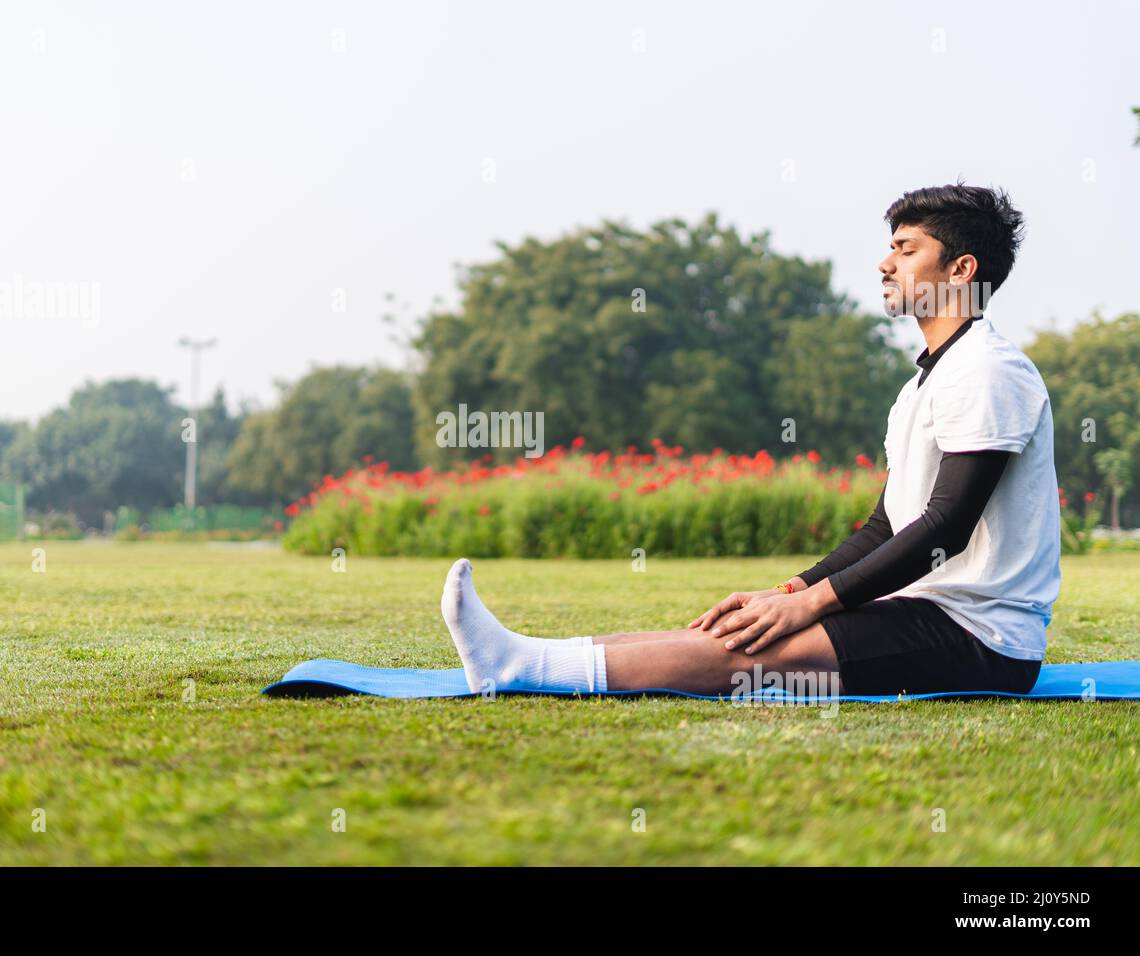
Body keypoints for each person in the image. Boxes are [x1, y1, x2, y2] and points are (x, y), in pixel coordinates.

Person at [441, 183, 1060, 698]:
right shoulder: (926, 380)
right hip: (924, 610)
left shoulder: (987, 368)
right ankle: (522, 657)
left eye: (905, 249)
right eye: (888, 248)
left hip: (980, 636)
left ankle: (525, 669)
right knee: (748, 628)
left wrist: (813, 605)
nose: (884, 263)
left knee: (761, 652)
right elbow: (887, 525)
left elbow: (947, 526)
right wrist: (790, 590)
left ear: (961, 268)